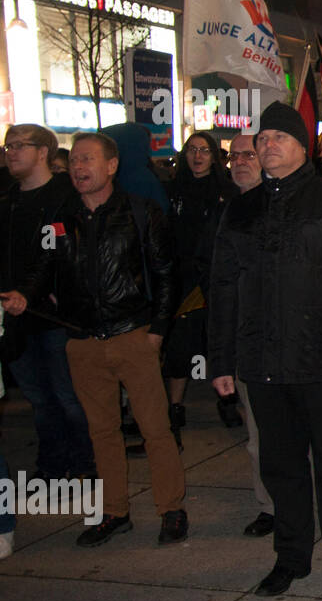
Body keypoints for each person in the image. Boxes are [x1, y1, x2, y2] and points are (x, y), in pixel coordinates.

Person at [208, 102, 322, 601]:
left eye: (278, 138)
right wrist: (220, 361)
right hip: (262, 364)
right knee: (279, 467)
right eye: (261, 139)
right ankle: (291, 557)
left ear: (303, 147)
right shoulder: (240, 209)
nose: (267, 146)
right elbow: (222, 287)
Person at [1, 132, 186, 548]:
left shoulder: (140, 212)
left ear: (111, 166)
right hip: (83, 341)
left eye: (88, 160)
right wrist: (24, 295)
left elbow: (166, 275)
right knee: (101, 432)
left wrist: (157, 330)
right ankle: (115, 512)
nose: (79, 168)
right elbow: (42, 266)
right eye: (76, 161)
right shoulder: (61, 219)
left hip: (133, 336)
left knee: (155, 429)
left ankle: (171, 509)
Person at [0, 125, 96, 480]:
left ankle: (85, 464)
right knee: (40, 400)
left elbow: (58, 254)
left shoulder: (65, 197)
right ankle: (52, 466)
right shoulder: (8, 201)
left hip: (56, 317)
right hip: (16, 316)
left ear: (43, 152)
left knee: (69, 397)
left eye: (19, 146)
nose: (11, 152)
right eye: (8, 146)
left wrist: (35, 293)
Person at [160, 130, 240, 456]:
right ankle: (175, 406)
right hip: (182, 277)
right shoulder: (172, 190)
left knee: (217, 338)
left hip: (215, 276)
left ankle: (226, 400)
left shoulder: (226, 191)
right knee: (181, 343)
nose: (197, 156)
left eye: (203, 150)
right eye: (192, 150)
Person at [225, 132, 275, 538]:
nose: (241, 161)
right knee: (258, 437)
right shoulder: (230, 211)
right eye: (235, 156)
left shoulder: (285, 206)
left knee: (297, 433)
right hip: (248, 340)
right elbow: (222, 285)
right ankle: (270, 507)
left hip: (291, 340)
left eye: (248, 154)